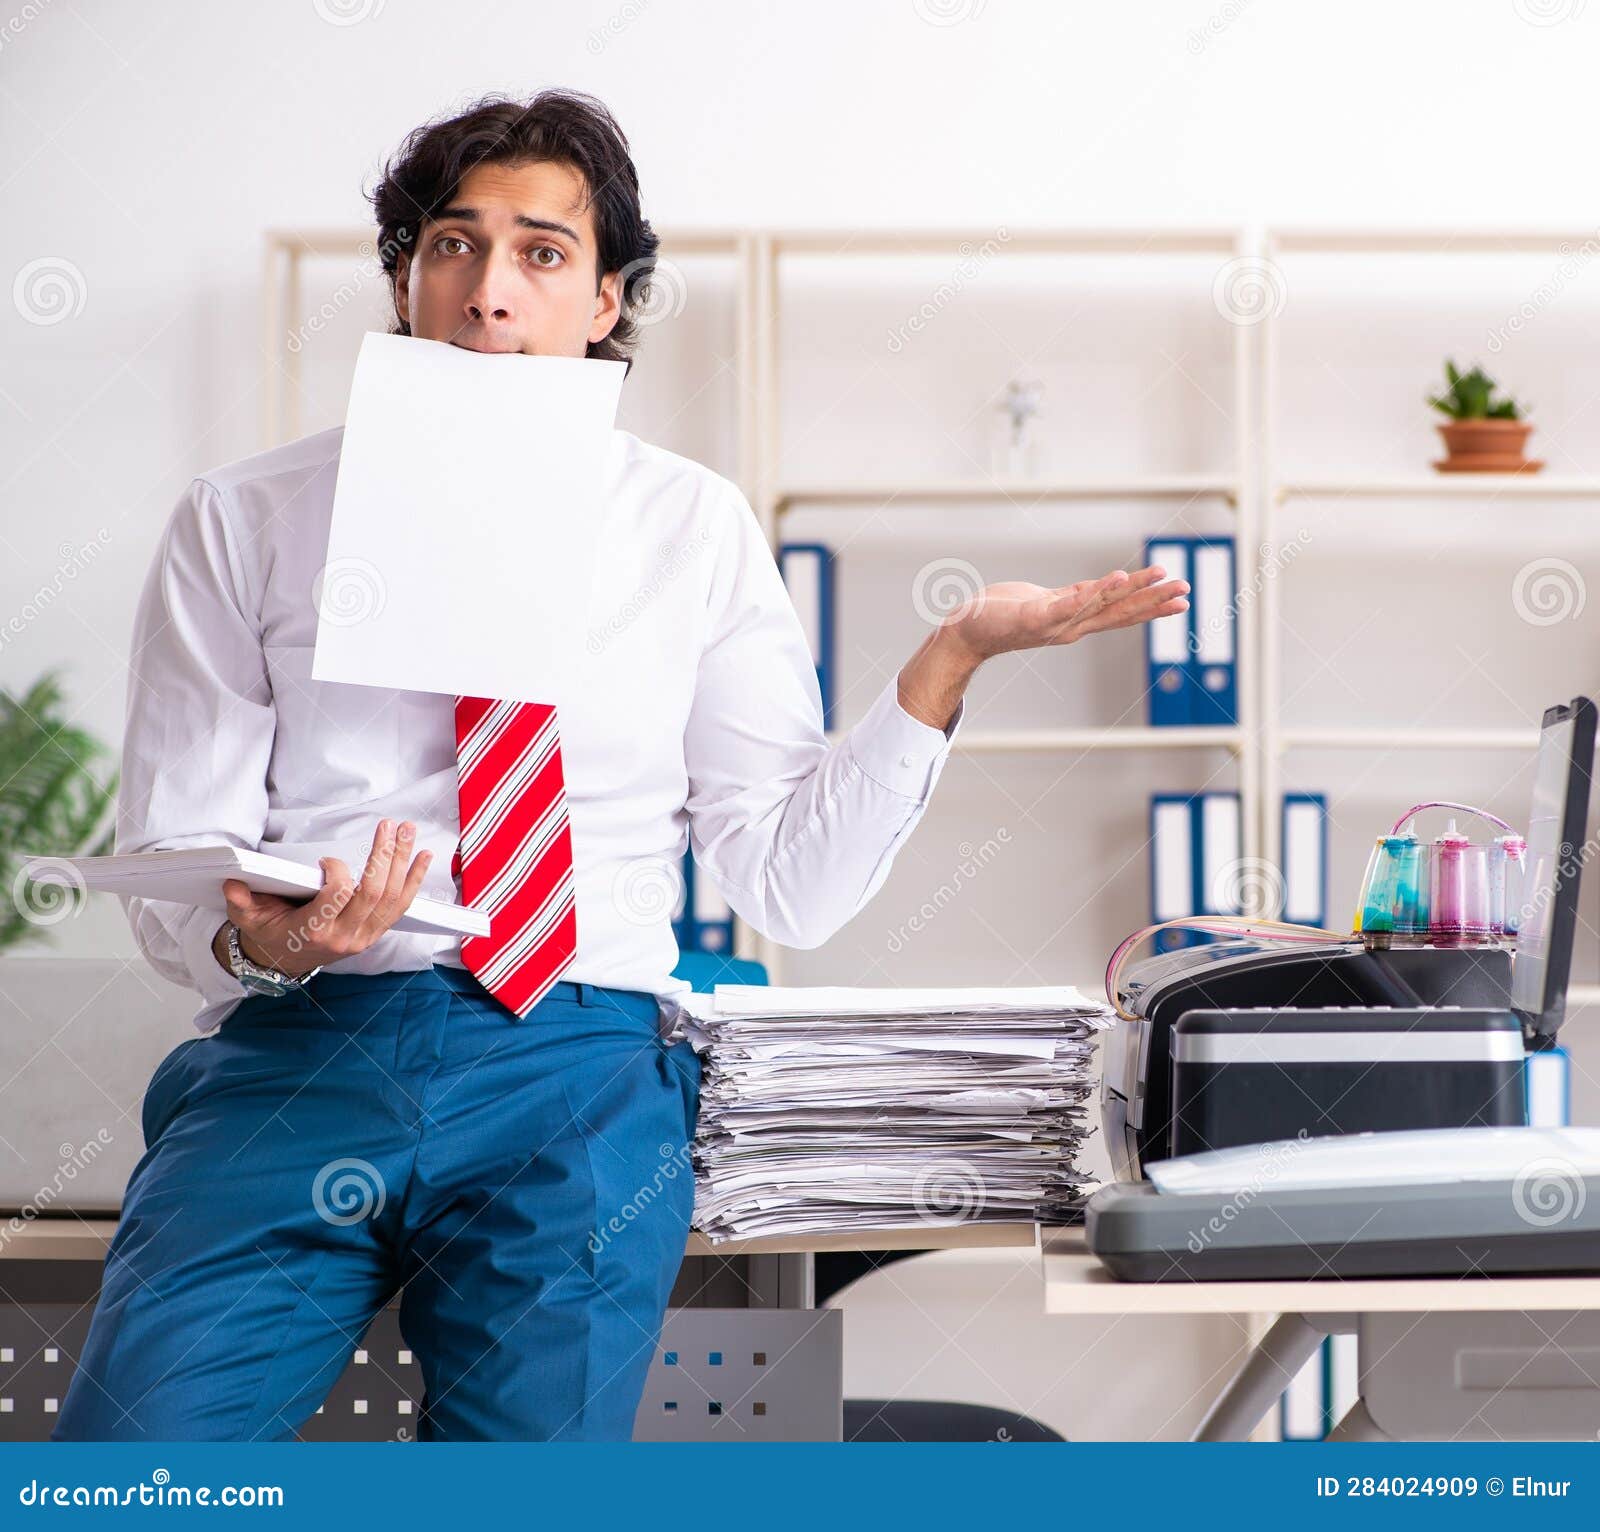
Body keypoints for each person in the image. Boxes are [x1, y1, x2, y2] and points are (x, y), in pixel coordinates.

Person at [54, 89, 1187, 1443]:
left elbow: (790, 878)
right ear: (405, 282)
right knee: (130, 1473)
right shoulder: (246, 519)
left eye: (540, 252)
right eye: (453, 247)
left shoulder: (690, 529)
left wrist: (948, 663)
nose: (489, 293)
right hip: (309, 1045)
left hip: (578, 1060)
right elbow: (183, 868)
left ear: (605, 301)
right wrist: (272, 951)